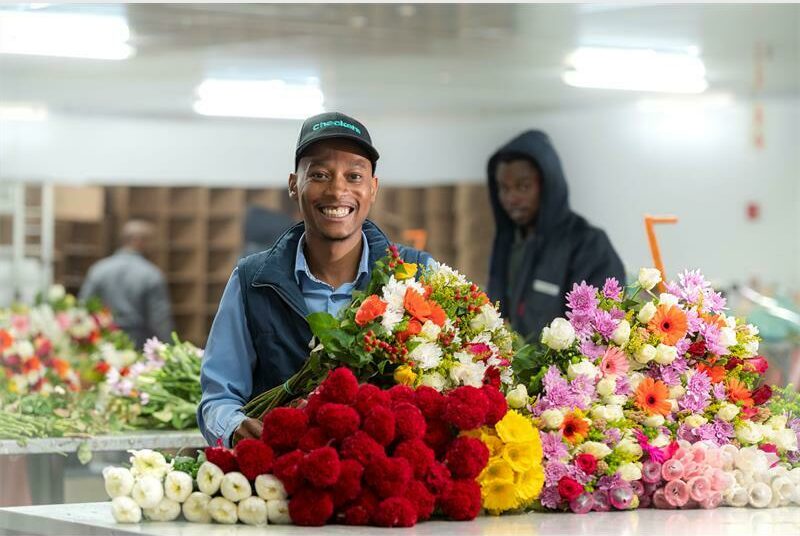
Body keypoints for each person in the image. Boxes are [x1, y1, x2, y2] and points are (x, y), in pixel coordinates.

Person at [198, 112, 432, 447]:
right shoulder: (252, 282)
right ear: (295, 185)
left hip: (388, 481)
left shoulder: (417, 274)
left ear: (373, 188)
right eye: (320, 174)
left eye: (354, 176)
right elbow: (218, 397)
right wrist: (236, 426)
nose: (338, 190)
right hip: (282, 481)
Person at [486, 130, 625, 340]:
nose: (510, 198)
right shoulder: (508, 244)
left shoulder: (589, 244)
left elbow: (601, 332)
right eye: (503, 188)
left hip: (567, 372)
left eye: (523, 187)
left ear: (548, 185)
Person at [79, 220, 174, 348]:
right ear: (137, 240)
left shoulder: (99, 269)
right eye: (149, 240)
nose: (153, 246)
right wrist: (170, 349)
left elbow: (83, 307)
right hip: (138, 343)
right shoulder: (151, 275)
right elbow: (159, 320)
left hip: (103, 343)